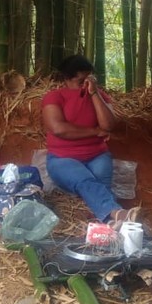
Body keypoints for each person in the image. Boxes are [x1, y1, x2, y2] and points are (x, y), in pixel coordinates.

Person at [42, 55, 137, 226]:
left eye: (89, 79)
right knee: (85, 180)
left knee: (101, 185)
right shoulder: (54, 97)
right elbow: (58, 129)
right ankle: (118, 214)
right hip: (62, 158)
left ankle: (110, 222)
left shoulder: (99, 95)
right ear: (66, 79)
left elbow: (108, 125)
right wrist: (94, 131)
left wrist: (94, 93)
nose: (85, 84)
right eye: (80, 81)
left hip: (97, 154)